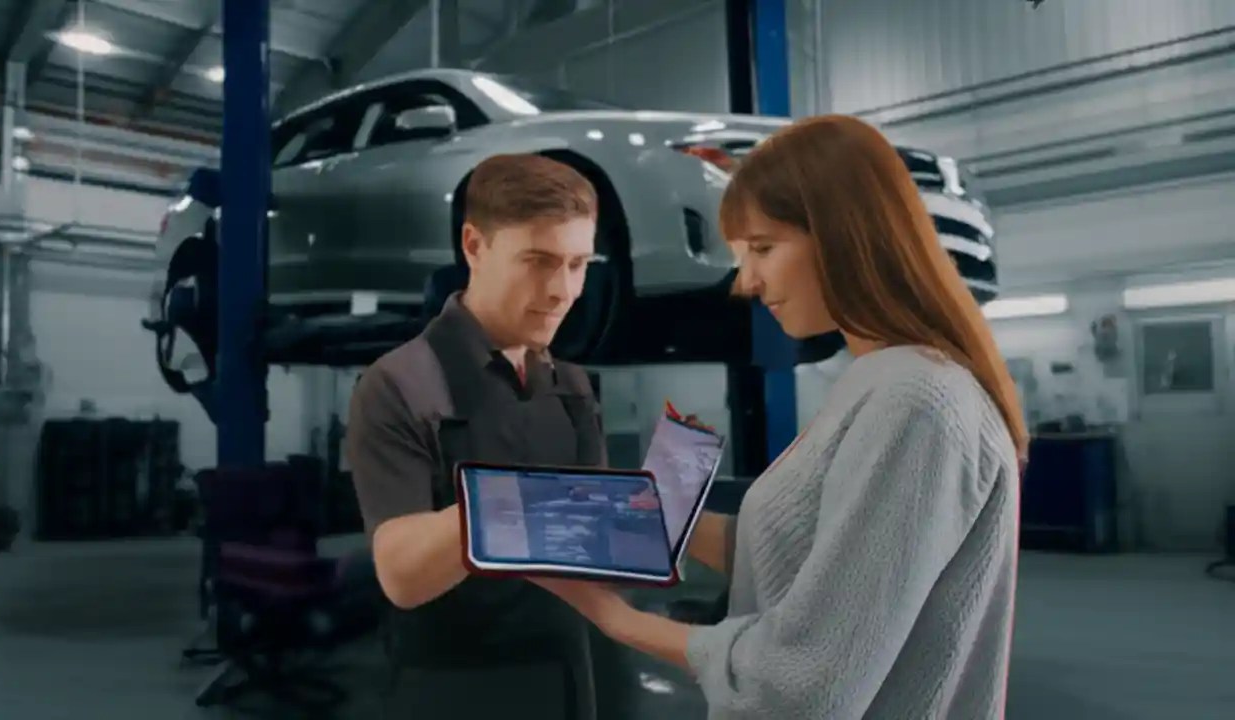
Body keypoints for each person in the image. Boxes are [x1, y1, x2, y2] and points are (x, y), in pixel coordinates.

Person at [529, 114, 1029, 719]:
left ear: (845, 234)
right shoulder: (883, 383)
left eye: (763, 248)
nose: (746, 282)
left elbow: (802, 681)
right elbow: (809, 559)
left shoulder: (915, 403)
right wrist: (634, 517)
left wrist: (614, 617)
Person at [345, 153, 607, 718]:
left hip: (568, 676)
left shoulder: (572, 386)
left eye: (578, 263)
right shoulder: (399, 384)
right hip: (455, 689)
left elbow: (596, 545)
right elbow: (401, 575)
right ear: (474, 245)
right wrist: (527, 504)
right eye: (538, 261)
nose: (563, 289)